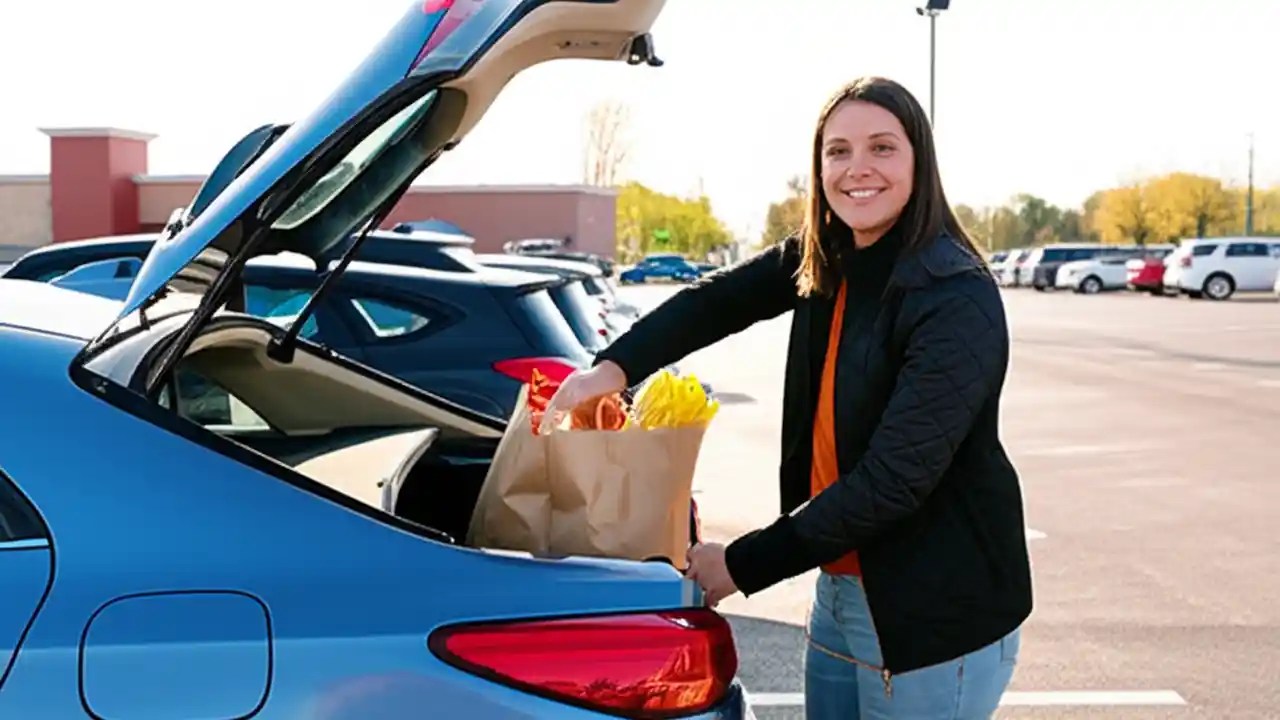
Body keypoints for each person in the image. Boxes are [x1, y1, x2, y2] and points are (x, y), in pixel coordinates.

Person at [541, 76, 1032, 719]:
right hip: (841, 590)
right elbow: (714, 301)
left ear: (919, 161)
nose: (857, 169)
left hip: (938, 607)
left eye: (882, 148)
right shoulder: (824, 258)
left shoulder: (953, 295)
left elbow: (893, 480)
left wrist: (741, 564)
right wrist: (610, 369)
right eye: (838, 152)